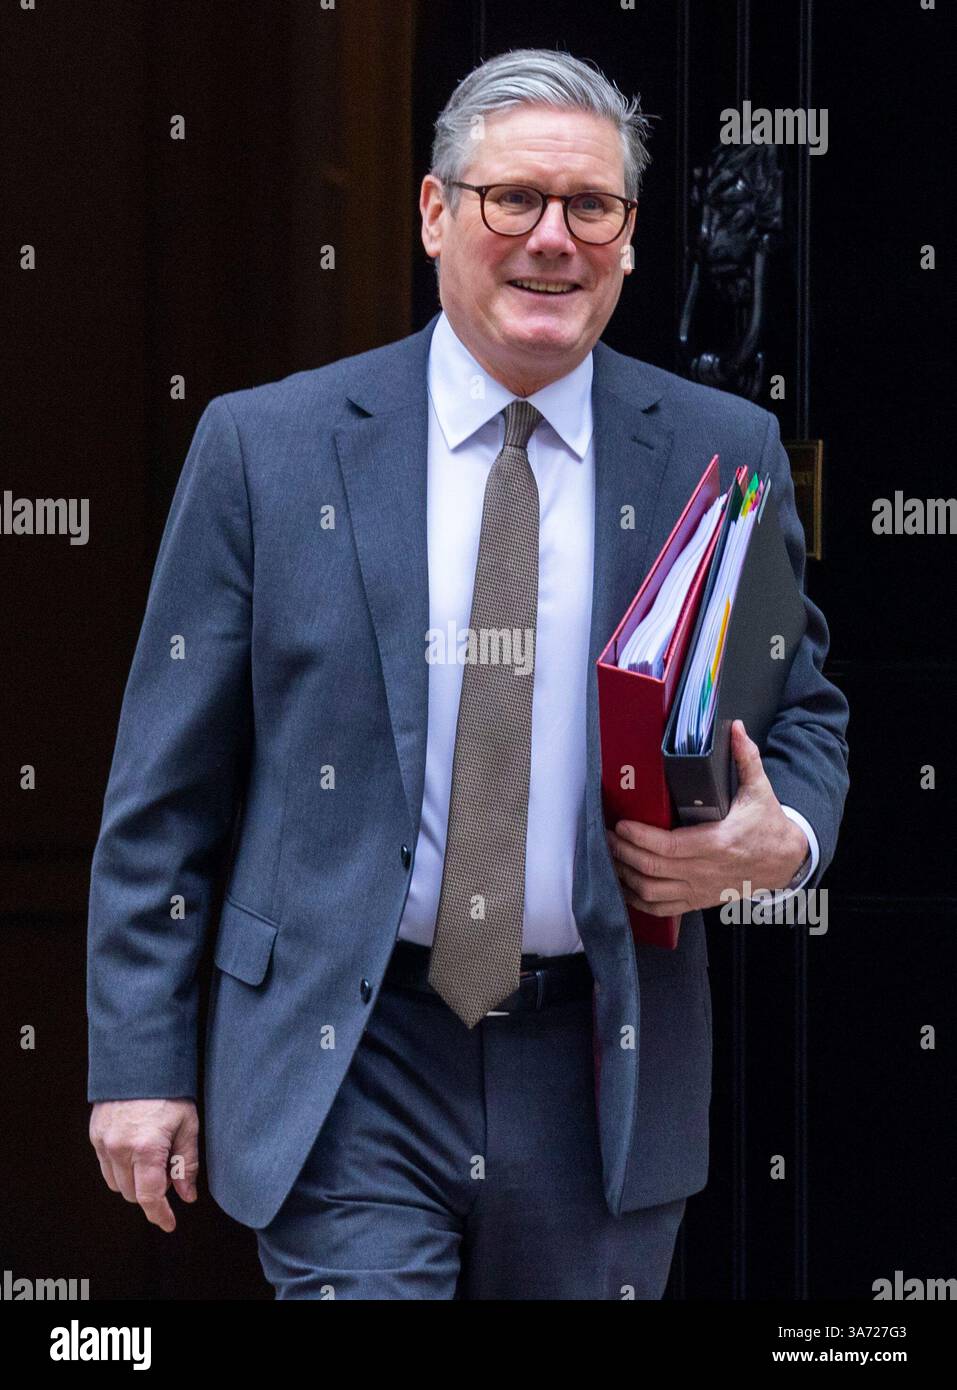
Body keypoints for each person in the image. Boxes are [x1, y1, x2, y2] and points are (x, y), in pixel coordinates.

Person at [87, 48, 849, 1300]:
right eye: (514, 200)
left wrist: (782, 838)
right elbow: (163, 790)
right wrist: (138, 1060)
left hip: (600, 1060)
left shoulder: (720, 453)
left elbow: (802, 704)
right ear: (436, 212)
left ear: (630, 236)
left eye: (590, 207)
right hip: (352, 1052)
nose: (554, 239)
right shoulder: (269, 451)